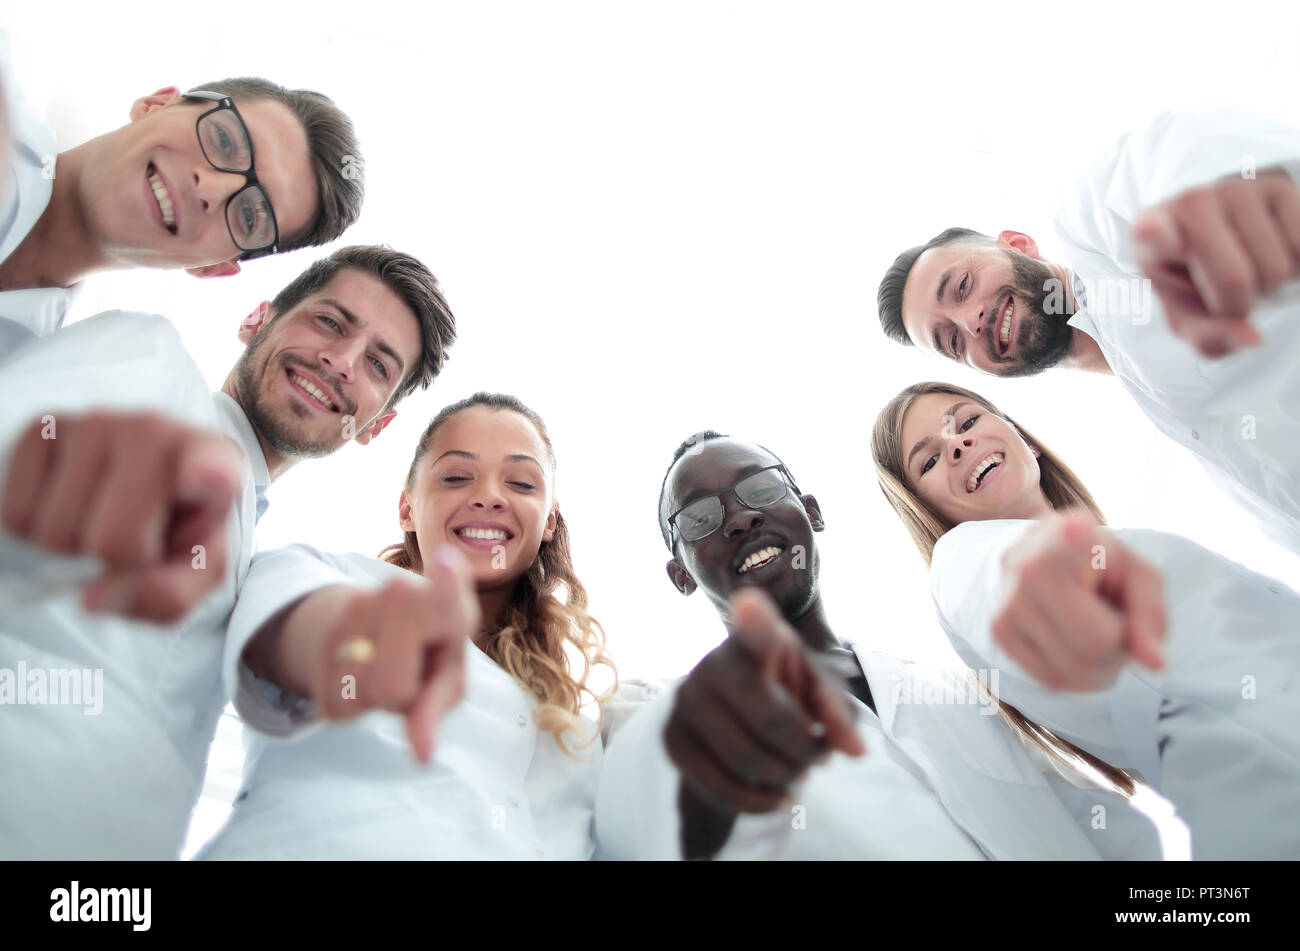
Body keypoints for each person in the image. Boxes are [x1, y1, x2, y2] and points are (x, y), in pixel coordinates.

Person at [0, 245, 454, 858]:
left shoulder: (255, 571)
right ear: (256, 319)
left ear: (377, 425)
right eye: (330, 322)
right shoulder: (148, 368)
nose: (341, 361)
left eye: (378, 364)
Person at [594, 432, 1160, 860]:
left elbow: (1119, 842)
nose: (741, 518)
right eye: (699, 517)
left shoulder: (962, 694)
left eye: (760, 487)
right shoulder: (662, 729)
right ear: (681, 575)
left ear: (811, 511)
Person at [871, 380, 1300, 859]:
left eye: (967, 421)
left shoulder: (1114, 546)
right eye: (928, 461)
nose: (957, 444)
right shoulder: (960, 565)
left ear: (1023, 438)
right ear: (926, 509)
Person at [195, 393, 618, 860]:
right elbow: (284, 634)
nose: (489, 496)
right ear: (407, 509)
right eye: (457, 477)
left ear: (549, 523)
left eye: (520, 483)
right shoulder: (327, 577)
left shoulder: (578, 739)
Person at [875, 107, 1300, 554]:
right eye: (953, 342)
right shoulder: (1168, 412)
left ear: (1018, 244)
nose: (970, 321)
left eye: (962, 286)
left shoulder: (1100, 205)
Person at [0, 27, 365, 358]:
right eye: (224, 139)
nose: (210, 188)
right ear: (156, 103)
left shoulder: (29, 383)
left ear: (211, 267)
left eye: (250, 216)